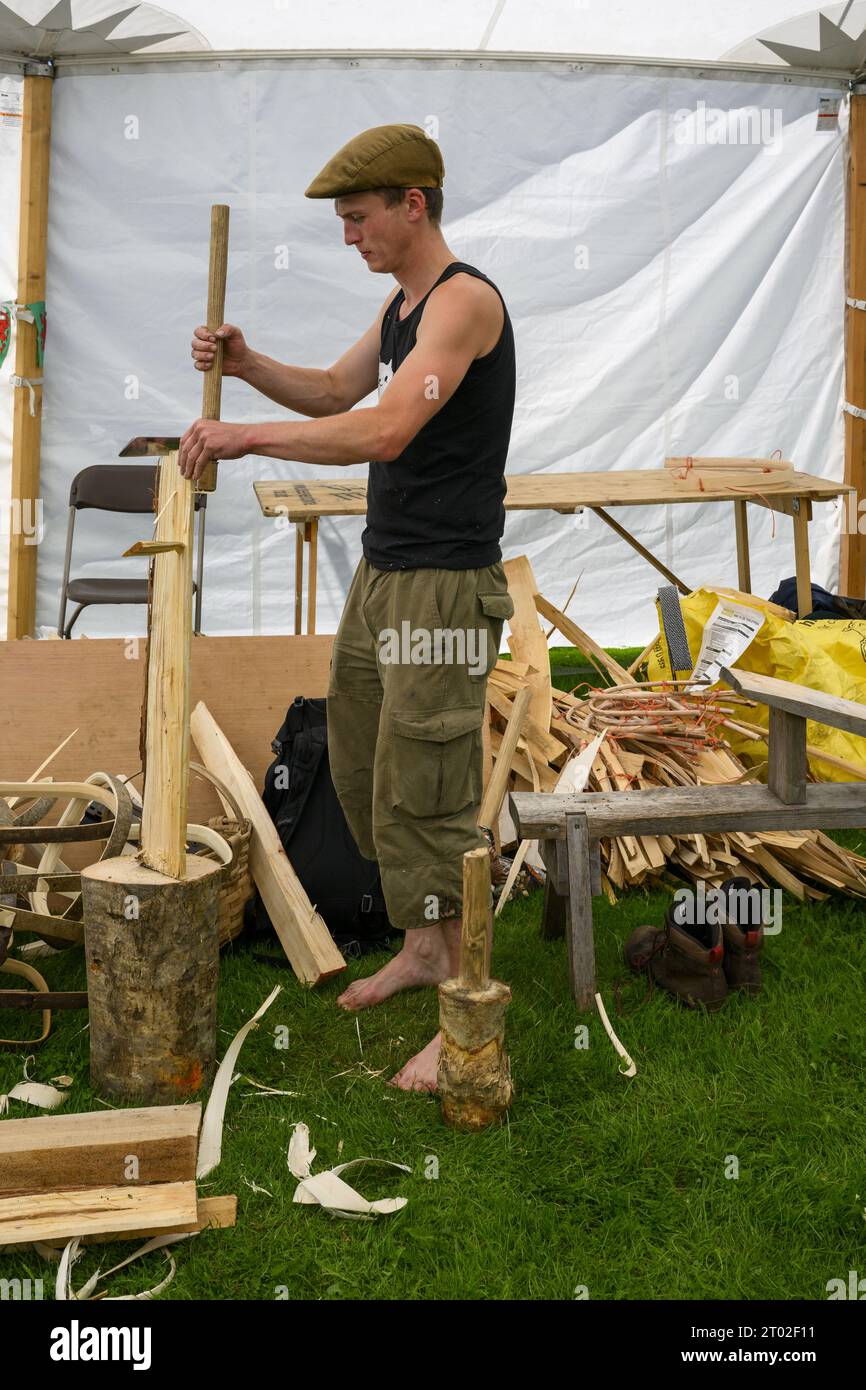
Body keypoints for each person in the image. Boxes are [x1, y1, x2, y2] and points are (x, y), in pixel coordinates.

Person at [181, 123, 516, 1091]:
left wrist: (246, 437)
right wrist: (246, 364)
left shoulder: (463, 305)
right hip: (384, 574)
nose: (346, 236)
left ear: (413, 204)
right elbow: (337, 386)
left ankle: (468, 1006)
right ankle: (423, 946)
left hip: (442, 585)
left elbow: (385, 427)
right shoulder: (403, 304)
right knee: (371, 765)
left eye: (357, 217)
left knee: (435, 789)